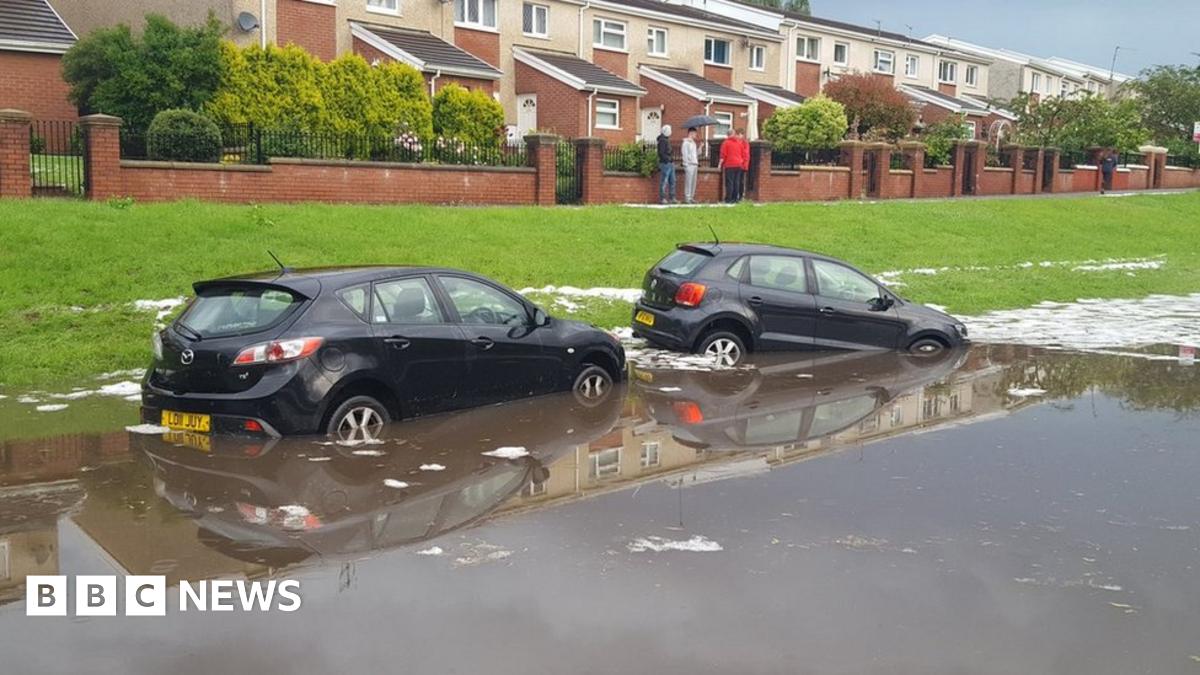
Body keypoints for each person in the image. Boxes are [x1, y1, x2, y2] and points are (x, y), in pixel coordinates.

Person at [718, 129, 743, 204]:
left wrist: (719, 164)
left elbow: (723, 155)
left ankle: (729, 198)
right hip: (738, 164)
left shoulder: (725, 143)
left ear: (727, 135)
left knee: (730, 182)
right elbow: (742, 153)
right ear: (734, 134)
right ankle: (735, 198)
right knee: (736, 182)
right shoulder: (739, 143)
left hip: (730, 165)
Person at [656, 125, 676, 204]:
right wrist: (667, 160)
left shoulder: (666, 140)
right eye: (669, 130)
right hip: (665, 163)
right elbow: (661, 153)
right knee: (664, 181)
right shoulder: (662, 141)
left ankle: (672, 197)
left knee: (673, 180)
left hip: (670, 163)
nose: (670, 132)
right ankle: (663, 198)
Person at [681, 127, 700, 204]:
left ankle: (691, 197)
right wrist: (686, 164)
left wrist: (700, 148)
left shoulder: (693, 143)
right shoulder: (686, 143)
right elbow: (684, 154)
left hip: (695, 164)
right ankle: (687, 197)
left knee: (693, 182)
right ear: (691, 133)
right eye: (695, 133)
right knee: (688, 182)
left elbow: (696, 154)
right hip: (689, 165)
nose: (696, 135)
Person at [734, 127, 751, 201]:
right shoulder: (738, 142)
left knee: (740, 181)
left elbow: (745, 154)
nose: (737, 136)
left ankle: (740, 195)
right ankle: (737, 195)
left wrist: (744, 165)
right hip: (738, 164)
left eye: (738, 134)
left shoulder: (744, 143)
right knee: (737, 180)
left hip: (742, 165)